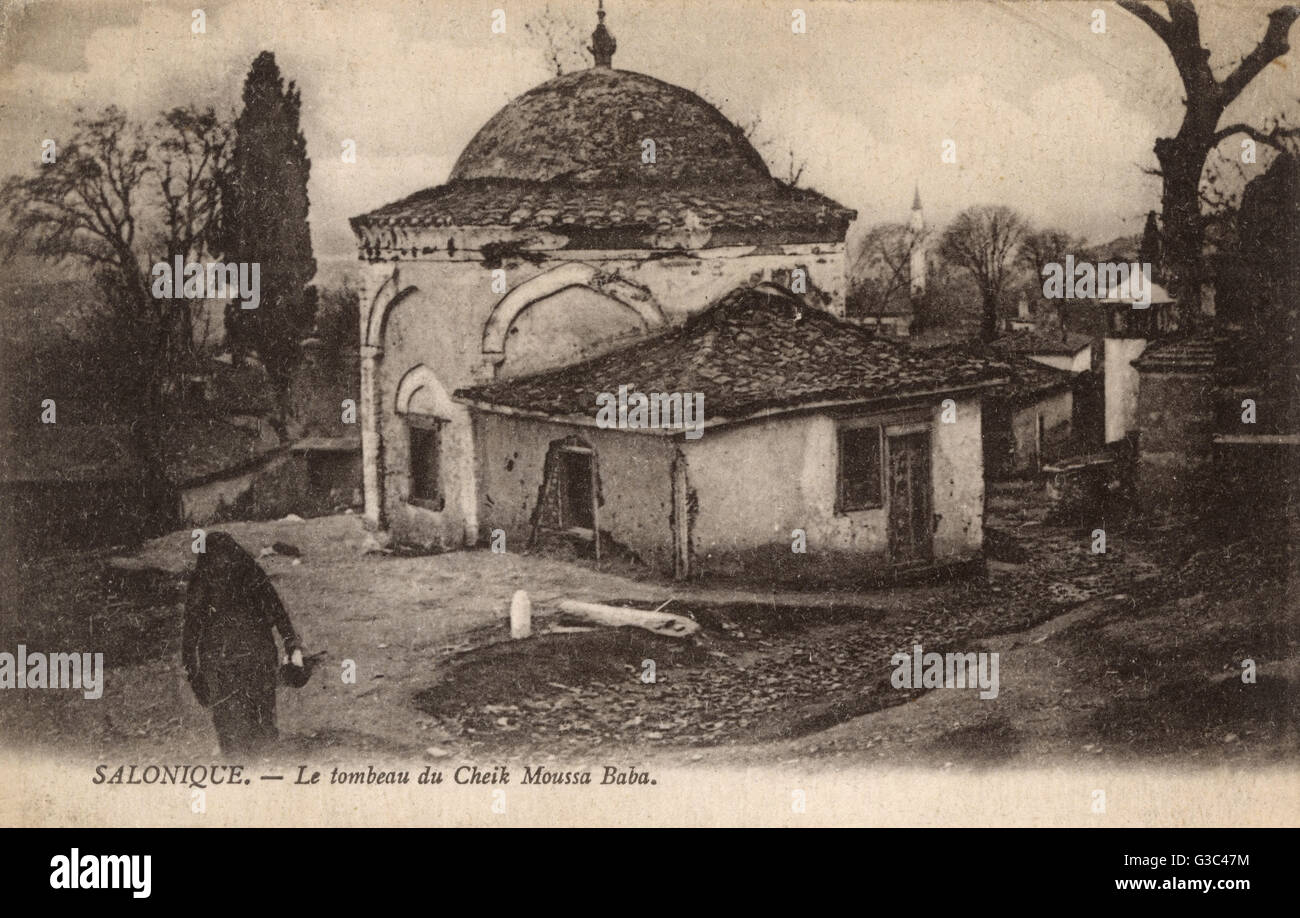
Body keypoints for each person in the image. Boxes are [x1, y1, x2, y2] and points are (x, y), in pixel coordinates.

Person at [182, 531, 304, 756]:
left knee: (229, 726)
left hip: (220, 660)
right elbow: (278, 611)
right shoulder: (251, 571)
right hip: (258, 655)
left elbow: (191, 630)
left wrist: (193, 673)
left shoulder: (202, 578)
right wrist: (292, 646)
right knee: (261, 722)